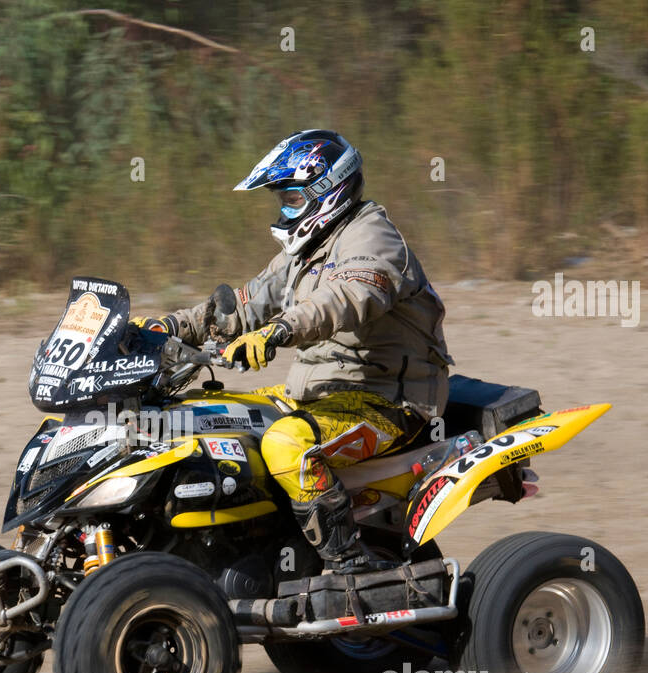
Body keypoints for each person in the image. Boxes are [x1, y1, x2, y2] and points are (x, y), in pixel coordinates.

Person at [133, 129, 452, 569]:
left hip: (388, 402)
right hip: (321, 395)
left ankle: (349, 564)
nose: (285, 209)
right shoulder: (304, 251)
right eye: (281, 198)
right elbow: (243, 307)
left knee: (287, 444)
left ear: (328, 191)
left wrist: (278, 331)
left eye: (293, 198)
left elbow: (344, 300)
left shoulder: (373, 239)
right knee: (197, 417)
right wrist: (167, 327)